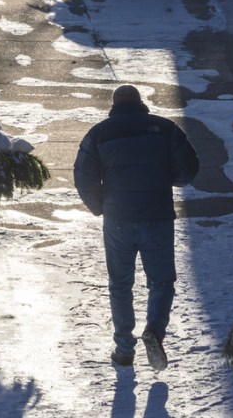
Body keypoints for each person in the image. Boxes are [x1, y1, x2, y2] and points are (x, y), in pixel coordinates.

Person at [74, 85, 199, 370]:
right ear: (140, 103)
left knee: (120, 285)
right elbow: (188, 169)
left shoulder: (98, 134)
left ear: (114, 105)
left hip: (118, 221)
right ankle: (154, 330)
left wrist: (100, 206)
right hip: (157, 216)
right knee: (162, 281)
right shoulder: (164, 128)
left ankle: (124, 349)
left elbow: (84, 178)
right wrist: (171, 178)